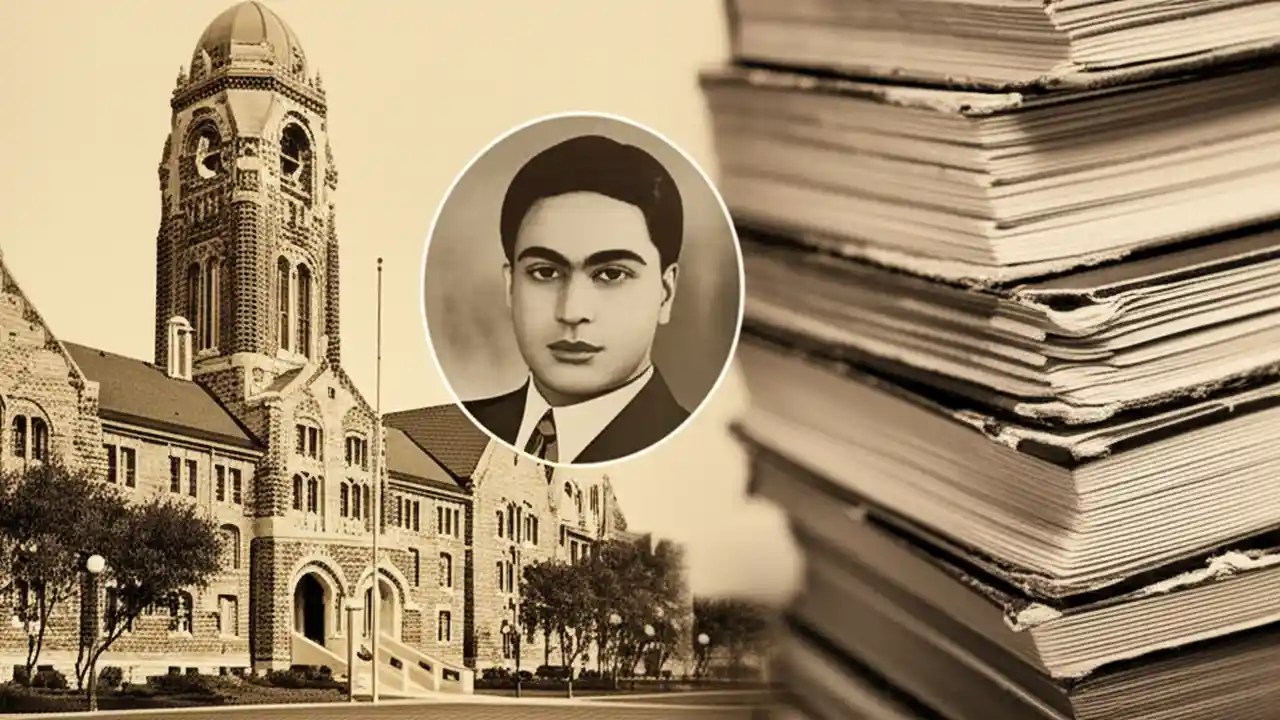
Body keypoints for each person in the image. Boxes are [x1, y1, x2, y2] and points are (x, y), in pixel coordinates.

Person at [464, 134, 691, 465]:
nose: (572, 312)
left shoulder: (696, 454)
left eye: (611, 274)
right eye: (545, 272)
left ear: (665, 293)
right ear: (510, 286)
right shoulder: (458, 428)